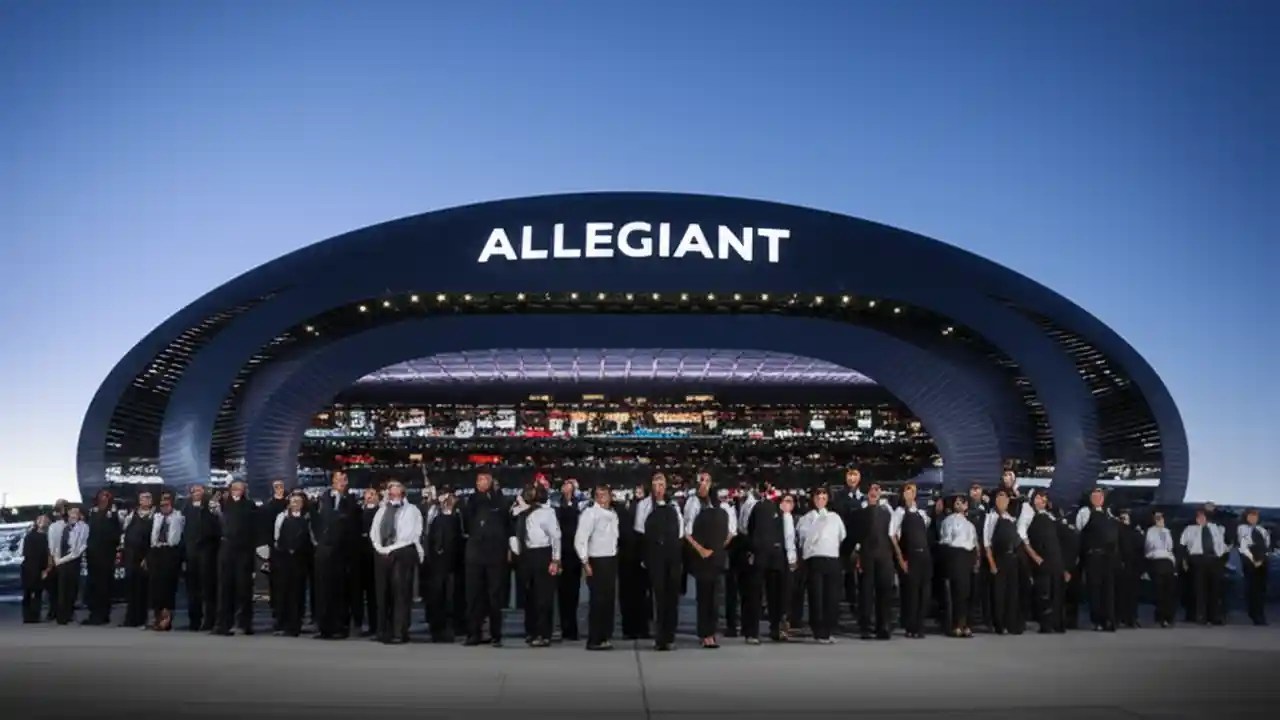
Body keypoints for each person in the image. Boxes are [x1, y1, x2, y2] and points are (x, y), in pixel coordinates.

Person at [369, 480, 424, 645]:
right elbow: (374, 531)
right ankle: (383, 631)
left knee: (400, 595)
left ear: (403, 493)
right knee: (382, 594)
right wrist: (380, 549)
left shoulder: (412, 510)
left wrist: (392, 549)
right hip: (382, 554)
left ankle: (399, 632)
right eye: (390, 490)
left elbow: (411, 534)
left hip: (403, 553)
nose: (393, 493)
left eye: (396, 490)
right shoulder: (382, 510)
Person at [461, 471, 512, 646]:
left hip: (495, 553)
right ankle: (473, 633)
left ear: (492, 482)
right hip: (475, 553)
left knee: (494, 595)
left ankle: (495, 634)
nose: (481, 483)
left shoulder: (501, 501)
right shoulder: (471, 501)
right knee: (474, 595)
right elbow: (466, 523)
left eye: (485, 480)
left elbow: (508, 526)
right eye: (479, 480)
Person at [684, 473, 734, 649]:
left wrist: (718, 547)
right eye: (701, 481)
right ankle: (705, 633)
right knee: (704, 597)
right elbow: (687, 532)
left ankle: (712, 631)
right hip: (701, 556)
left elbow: (731, 532)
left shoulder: (723, 505)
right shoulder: (693, 503)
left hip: (717, 556)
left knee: (715, 598)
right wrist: (702, 550)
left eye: (707, 481)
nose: (704, 484)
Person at [511, 483, 561, 648]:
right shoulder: (522, 512)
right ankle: (531, 631)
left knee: (543, 596)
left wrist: (555, 559)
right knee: (529, 595)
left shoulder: (547, 513)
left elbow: (555, 537)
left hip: (542, 553)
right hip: (526, 554)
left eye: (531, 493)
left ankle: (543, 633)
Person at [312, 471, 359, 640]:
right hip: (324, 551)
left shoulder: (352, 501)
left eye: (344, 479)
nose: (342, 482)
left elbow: (354, 526)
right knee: (323, 590)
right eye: (338, 479)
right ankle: (324, 627)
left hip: (343, 552)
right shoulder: (322, 499)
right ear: (332, 481)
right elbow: (314, 522)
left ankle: (340, 627)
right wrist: (318, 542)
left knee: (341, 591)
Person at [641, 473, 684, 651]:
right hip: (655, 555)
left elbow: (681, 530)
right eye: (655, 483)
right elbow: (640, 532)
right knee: (658, 597)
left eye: (661, 484)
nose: (658, 487)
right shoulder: (644, 506)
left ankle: (670, 635)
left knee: (672, 597)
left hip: (673, 555)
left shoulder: (674, 506)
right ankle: (659, 637)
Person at [575, 483, 620, 650]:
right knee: (597, 601)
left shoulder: (613, 514)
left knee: (608, 601)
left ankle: (605, 636)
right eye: (598, 495)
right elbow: (581, 538)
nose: (602, 497)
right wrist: (585, 561)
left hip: (610, 559)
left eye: (605, 494)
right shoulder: (589, 514)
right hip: (596, 560)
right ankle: (594, 638)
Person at [796, 487, 843, 644]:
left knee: (831, 596)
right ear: (813, 499)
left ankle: (828, 630)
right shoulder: (806, 518)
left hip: (832, 558)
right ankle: (818, 630)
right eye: (818, 497)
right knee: (817, 596)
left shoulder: (834, 517)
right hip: (814, 559)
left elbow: (842, 536)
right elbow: (804, 538)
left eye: (824, 497)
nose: (821, 500)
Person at [1019, 490, 1067, 634]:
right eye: (1039, 497)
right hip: (1041, 559)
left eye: (1044, 498)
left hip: (1056, 559)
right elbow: (1022, 537)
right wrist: (1035, 556)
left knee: (1057, 592)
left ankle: (1057, 623)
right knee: (1043, 593)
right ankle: (1045, 624)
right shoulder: (1028, 513)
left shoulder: (1052, 517)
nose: (1042, 500)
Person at [213, 480, 256, 636]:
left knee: (243, 588)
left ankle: (244, 624)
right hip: (226, 550)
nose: (237, 490)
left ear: (244, 490)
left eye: (240, 488)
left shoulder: (249, 505)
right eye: (234, 488)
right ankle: (223, 624)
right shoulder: (223, 505)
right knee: (224, 588)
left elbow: (253, 529)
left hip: (243, 551)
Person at [890, 481, 932, 638]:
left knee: (924, 593)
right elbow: (892, 535)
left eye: (913, 491)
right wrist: (901, 558)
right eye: (907, 490)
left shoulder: (922, 513)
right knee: (911, 594)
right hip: (910, 555)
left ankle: (920, 626)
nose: (910, 493)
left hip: (924, 556)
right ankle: (910, 626)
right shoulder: (899, 512)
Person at [1075, 487, 1118, 632]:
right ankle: (1097, 621)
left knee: (1109, 590)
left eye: (1100, 496)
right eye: (1094, 495)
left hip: (1107, 556)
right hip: (1092, 555)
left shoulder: (1109, 514)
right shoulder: (1084, 513)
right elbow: (1079, 533)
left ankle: (1109, 620)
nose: (1097, 498)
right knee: (1095, 589)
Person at [273, 492, 315, 637]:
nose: (296, 504)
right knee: (283, 592)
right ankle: (282, 623)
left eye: (298, 501)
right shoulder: (281, 517)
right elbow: (277, 537)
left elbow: (311, 539)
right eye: (293, 501)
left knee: (297, 594)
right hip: (284, 560)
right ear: (289, 503)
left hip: (300, 560)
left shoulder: (307, 520)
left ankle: (295, 625)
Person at [424, 489, 463, 643]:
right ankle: (438, 628)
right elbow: (431, 540)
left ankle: (449, 628)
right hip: (436, 565)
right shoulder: (436, 518)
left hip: (452, 565)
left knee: (450, 597)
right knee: (437, 597)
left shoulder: (455, 518)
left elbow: (458, 541)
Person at [857, 483, 895, 640]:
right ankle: (866, 626)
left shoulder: (888, 513)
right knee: (866, 592)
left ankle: (883, 626)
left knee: (884, 591)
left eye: (877, 490)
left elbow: (894, 535)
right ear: (868, 493)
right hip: (867, 555)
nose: (874, 492)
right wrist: (857, 556)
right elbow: (857, 535)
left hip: (884, 555)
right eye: (872, 489)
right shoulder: (861, 513)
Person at [984, 488, 1024, 635]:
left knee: (1012, 593)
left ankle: (1011, 623)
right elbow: (986, 542)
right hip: (998, 558)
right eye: (999, 498)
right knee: (998, 594)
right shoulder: (990, 517)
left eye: (1005, 498)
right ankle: (999, 624)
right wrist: (992, 563)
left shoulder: (1011, 518)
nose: (1002, 501)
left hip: (1012, 559)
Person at [182, 484, 221, 631]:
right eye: (193, 491)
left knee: (208, 589)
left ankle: (210, 620)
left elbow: (218, 528)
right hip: (190, 553)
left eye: (198, 490)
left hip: (207, 553)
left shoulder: (210, 508)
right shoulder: (185, 509)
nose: (195, 493)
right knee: (192, 589)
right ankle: (194, 621)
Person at [939, 495, 978, 638]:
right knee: (956, 593)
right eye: (957, 502)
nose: (959, 504)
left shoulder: (970, 524)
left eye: (962, 502)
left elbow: (974, 543)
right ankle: (955, 625)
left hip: (968, 556)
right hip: (955, 555)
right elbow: (945, 540)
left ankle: (966, 624)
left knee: (967, 593)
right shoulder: (948, 521)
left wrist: (976, 560)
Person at [1179, 507, 1226, 625]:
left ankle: (1214, 616)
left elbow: (1221, 544)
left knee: (1215, 589)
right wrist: (1185, 560)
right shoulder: (1190, 529)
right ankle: (1201, 616)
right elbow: (1182, 545)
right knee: (1200, 589)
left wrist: (1221, 558)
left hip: (1214, 559)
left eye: (1203, 516)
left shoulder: (1215, 528)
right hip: (1198, 559)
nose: (1201, 519)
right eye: (1198, 517)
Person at [83, 489, 122, 625]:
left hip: (106, 556)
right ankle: (94, 613)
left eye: (107, 496)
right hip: (92, 555)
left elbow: (116, 535)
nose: (104, 499)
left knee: (104, 586)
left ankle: (103, 614)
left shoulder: (113, 515)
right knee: (93, 585)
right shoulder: (92, 513)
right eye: (102, 496)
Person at [616, 483, 649, 641]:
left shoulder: (648, 508)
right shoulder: (623, 511)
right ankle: (629, 629)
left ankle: (641, 628)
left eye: (640, 491)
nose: (638, 493)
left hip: (640, 557)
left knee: (641, 596)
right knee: (627, 595)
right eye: (636, 491)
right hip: (626, 558)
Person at [149, 492, 184, 632]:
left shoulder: (178, 517)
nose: (164, 507)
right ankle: (156, 617)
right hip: (156, 552)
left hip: (171, 552)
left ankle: (167, 618)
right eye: (162, 505)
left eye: (167, 504)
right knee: (155, 587)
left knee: (168, 587)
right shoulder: (156, 517)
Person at [49, 507, 89, 625]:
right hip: (60, 561)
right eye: (71, 513)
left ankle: (69, 613)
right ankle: (61, 616)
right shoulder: (62, 527)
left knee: (72, 589)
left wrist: (62, 560)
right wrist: (56, 557)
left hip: (72, 561)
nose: (73, 515)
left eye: (76, 513)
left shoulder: (83, 527)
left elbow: (79, 548)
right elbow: (55, 543)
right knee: (61, 589)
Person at [120, 492, 155, 628]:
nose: (145, 500)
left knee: (144, 588)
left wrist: (148, 557)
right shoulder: (132, 515)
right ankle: (130, 619)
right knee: (131, 587)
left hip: (145, 555)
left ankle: (142, 618)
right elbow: (124, 531)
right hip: (130, 555)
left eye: (148, 498)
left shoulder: (154, 515)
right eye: (142, 498)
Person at [258, 480, 289, 631]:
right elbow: (263, 528)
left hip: (291, 551)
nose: (279, 489)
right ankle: (277, 614)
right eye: (276, 487)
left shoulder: (291, 504)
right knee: (275, 584)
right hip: (274, 551)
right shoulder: (267, 507)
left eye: (281, 486)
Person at [554, 478, 583, 641]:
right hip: (560, 552)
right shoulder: (556, 504)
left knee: (573, 591)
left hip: (574, 553)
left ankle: (571, 628)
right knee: (561, 591)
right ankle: (564, 626)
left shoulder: (580, 505)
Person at [352, 486, 381, 637]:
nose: (369, 497)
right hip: (359, 556)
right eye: (367, 494)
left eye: (372, 494)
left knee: (373, 593)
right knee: (357, 592)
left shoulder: (381, 512)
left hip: (374, 555)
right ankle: (358, 623)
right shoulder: (358, 512)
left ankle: (375, 625)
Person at [964, 483, 991, 629]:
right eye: (972, 489)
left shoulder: (986, 509)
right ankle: (970, 619)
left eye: (978, 489)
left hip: (985, 551)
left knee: (983, 587)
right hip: (971, 550)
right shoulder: (967, 510)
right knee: (971, 586)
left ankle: (983, 617)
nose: (975, 492)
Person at [1237, 508, 1270, 626]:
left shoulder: (1262, 530)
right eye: (1250, 516)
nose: (1253, 519)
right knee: (1252, 589)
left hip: (1262, 561)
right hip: (1250, 561)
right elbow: (1243, 546)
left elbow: (1267, 545)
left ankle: (1260, 614)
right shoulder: (1242, 529)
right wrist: (1253, 560)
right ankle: (1254, 614)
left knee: (1261, 589)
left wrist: (1263, 558)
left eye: (1255, 516)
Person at [1144, 511, 1177, 628]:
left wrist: (1163, 531)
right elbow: (1149, 546)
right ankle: (1160, 616)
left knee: (1169, 591)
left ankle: (1169, 616)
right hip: (1156, 560)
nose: (1159, 520)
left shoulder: (1167, 531)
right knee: (1159, 591)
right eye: (1157, 518)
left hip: (1168, 561)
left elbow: (1170, 547)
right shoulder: (1150, 531)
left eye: (1161, 518)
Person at [1115, 510, 1144, 628]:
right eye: (1121, 518)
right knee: (1120, 593)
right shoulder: (1116, 532)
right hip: (1120, 565)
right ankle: (1120, 617)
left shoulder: (1135, 532)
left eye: (1125, 518)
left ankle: (1132, 617)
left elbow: (1141, 549)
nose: (1123, 520)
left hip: (1133, 566)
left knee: (1132, 594)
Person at [20, 515, 52, 623]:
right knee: (35, 592)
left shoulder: (29, 536)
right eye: (41, 521)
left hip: (29, 567)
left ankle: (29, 616)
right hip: (34, 567)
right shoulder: (42, 537)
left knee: (30, 593)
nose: (43, 523)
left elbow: (25, 552)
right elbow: (44, 554)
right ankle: (33, 615)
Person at [44, 499, 69, 621]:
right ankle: (59, 612)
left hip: (61, 560)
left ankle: (56, 612)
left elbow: (51, 546)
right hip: (60, 560)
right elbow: (51, 546)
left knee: (58, 589)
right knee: (59, 588)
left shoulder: (58, 526)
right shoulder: (55, 527)